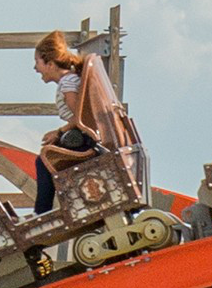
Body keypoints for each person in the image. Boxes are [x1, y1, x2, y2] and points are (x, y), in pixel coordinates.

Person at [30, 30, 135, 213]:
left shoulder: (67, 84)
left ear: (50, 63)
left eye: (37, 62)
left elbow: (81, 117)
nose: (35, 68)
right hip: (86, 137)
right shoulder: (70, 80)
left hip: (85, 140)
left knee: (44, 160)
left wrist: (59, 132)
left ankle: (42, 212)